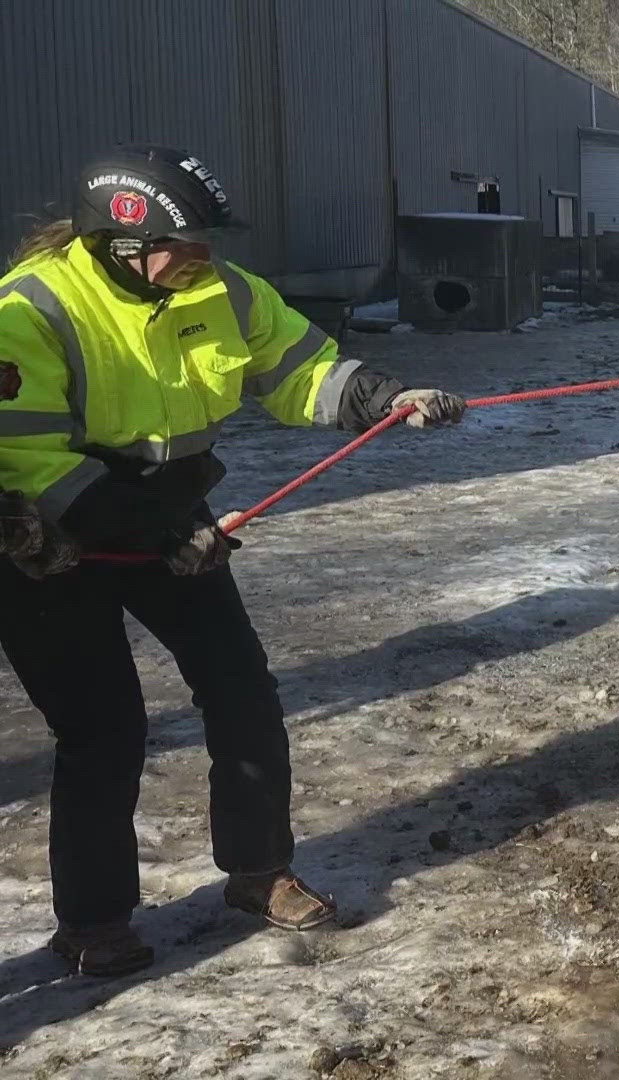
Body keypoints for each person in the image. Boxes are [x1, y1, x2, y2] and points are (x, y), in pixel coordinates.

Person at [0, 145, 469, 977]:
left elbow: (302, 367)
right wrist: (152, 532)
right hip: (47, 540)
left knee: (243, 692)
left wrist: (383, 399)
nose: (207, 256)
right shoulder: (28, 310)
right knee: (104, 731)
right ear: (121, 243)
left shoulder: (224, 292)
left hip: (169, 517)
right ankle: (94, 923)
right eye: (190, 241)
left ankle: (258, 872)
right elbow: (30, 458)